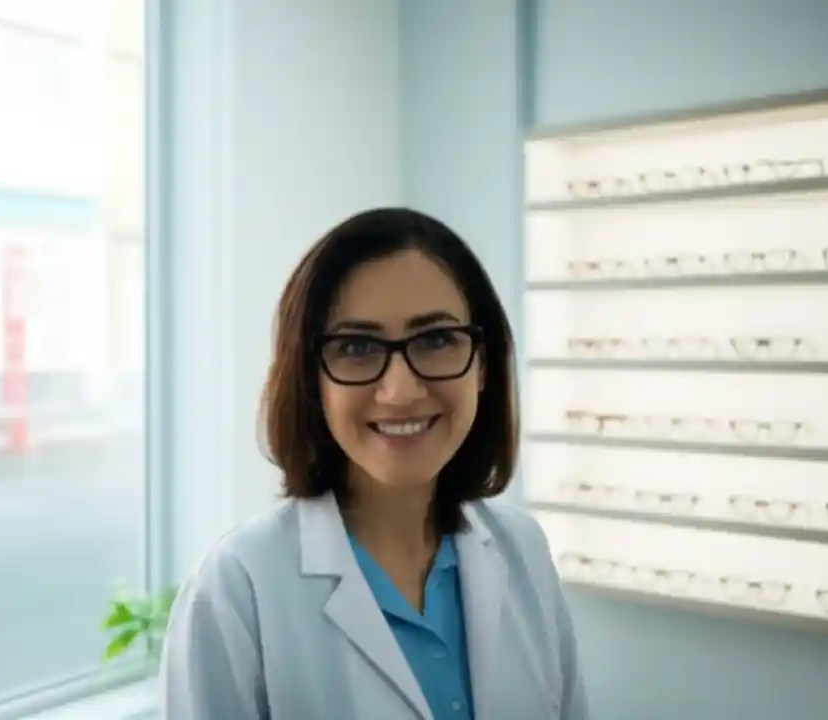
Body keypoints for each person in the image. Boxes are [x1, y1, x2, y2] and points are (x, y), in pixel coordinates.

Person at [159, 207, 589, 719]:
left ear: (482, 366)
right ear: (311, 381)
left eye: (436, 340)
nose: (401, 390)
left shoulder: (523, 550)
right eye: (357, 347)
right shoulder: (238, 588)